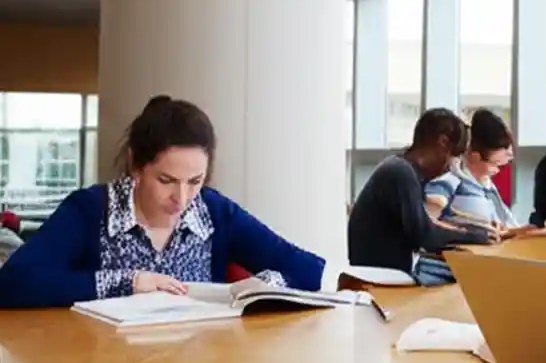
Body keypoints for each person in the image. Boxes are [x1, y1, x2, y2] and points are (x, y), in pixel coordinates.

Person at [0, 96, 324, 309]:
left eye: (195, 181)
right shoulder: (89, 210)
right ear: (136, 165)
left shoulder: (214, 212)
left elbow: (304, 269)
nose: (181, 198)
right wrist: (128, 283)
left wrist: (262, 289)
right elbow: (13, 283)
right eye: (166, 181)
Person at [347, 108, 494, 274]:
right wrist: (476, 236)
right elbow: (425, 235)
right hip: (381, 277)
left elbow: (424, 226)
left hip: (382, 271)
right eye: (455, 156)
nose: (451, 167)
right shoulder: (401, 174)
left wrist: (468, 231)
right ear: (443, 142)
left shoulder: (401, 168)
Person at [424, 108, 519, 229]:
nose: (498, 171)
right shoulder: (450, 181)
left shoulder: (487, 185)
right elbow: (426, 223)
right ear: (476, 157)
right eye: (494, 164)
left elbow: (507, 222)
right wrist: (464, 233)